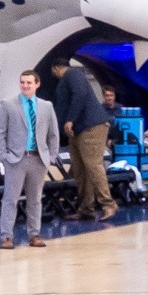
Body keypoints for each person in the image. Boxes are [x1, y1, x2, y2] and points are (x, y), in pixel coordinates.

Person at [0, 69, 58, 247]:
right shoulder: (8, 104)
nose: (25, 86)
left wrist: (51, 156)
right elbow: (0, 132)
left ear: (37, 84)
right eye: (22, 82)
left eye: (29, 83)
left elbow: (53, 134)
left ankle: (34, 234)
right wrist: (3, 156)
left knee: (35, 199)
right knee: (10, 199)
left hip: (38, 159)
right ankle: (6, 236)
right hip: (16, 159)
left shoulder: (46, 106)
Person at [50, 58, 114, 222]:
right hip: (77, 131)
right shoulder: (68, 79)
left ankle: (108, 204)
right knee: (80, 170)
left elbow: (80, 94)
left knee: (93, 165)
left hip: (90, 127)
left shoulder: (73, 74)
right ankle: (86, 208)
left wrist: (71, 118)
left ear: (56, 68)